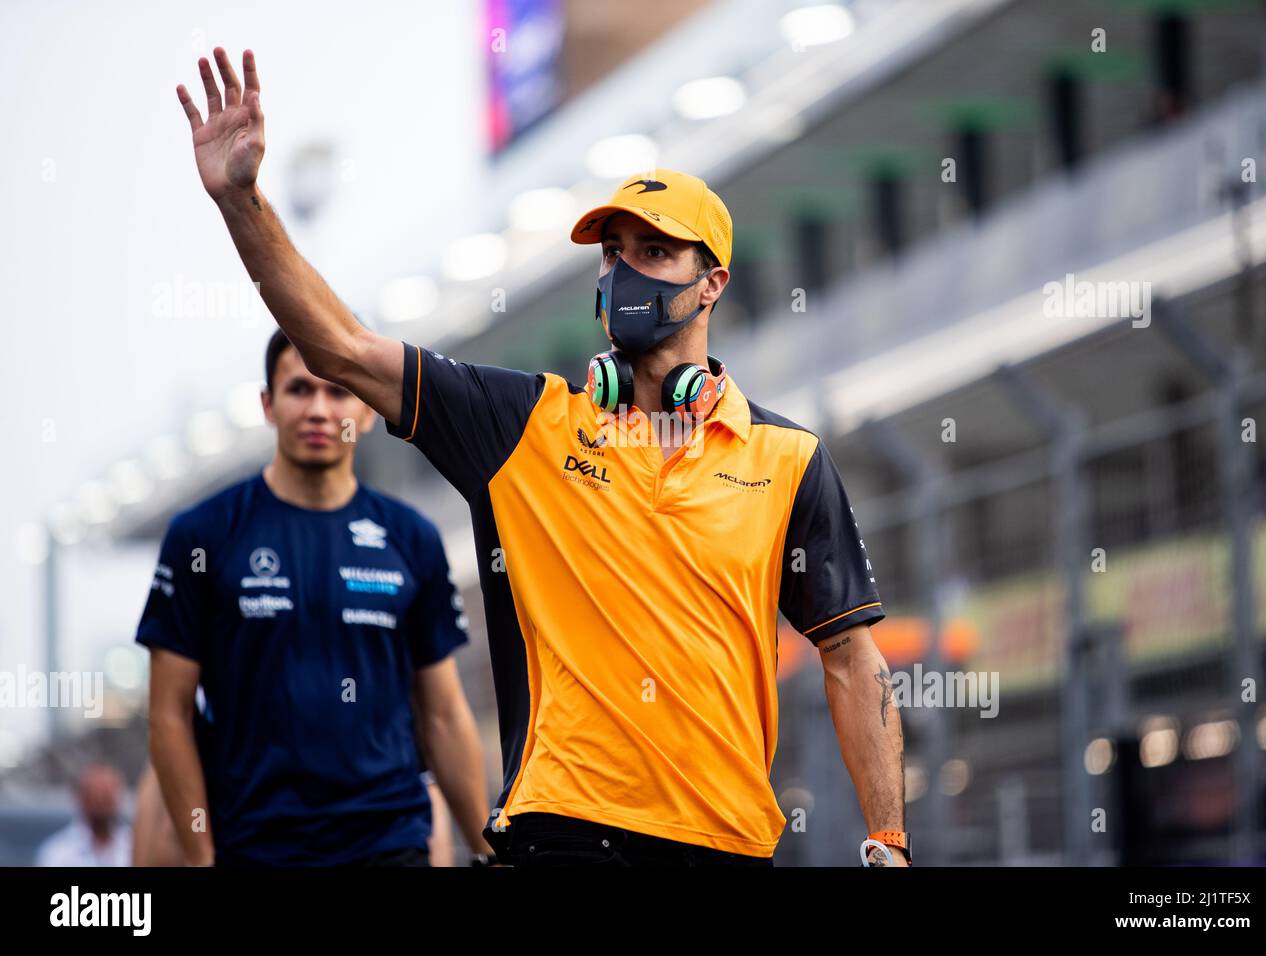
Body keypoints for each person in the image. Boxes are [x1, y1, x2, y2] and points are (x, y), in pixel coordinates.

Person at [174, 47, 909, 867]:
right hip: (560, 838)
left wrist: (888, 842)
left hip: (723, 845)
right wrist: (241, 200)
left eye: (655, 253)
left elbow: (850, 656)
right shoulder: (524, 425)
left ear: (713, 284)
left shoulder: (789, 459)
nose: (625, 270)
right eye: (612, 251)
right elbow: (340, 348)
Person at [135, 329, 495, 866]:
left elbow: (443, 714)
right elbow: (168, 714)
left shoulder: (410, 537)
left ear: (370, 409)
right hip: (255, 849)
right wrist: (201, 855)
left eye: (338, 391)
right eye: (300, 390)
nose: (320, 410)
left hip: (390, 845)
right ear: (268, 405)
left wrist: (490, 851)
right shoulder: (203, 535)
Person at [35, 764, 132, 867]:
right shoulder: (58, 852)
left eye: (107, 796)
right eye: (96, 796)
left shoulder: (132, 844)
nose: (102, 803)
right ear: (81, 798)